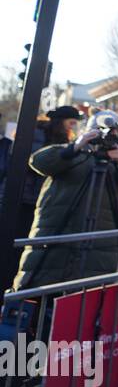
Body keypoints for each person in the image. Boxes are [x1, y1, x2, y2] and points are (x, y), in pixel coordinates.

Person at [13, 111, 118, 292]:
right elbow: (37, 162)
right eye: (98, 131)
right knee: (39, 290)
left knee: (86, 299)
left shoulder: (117, 163)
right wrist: (75, 148)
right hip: (56, 237)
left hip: (99, 247)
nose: (105, 137)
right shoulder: (71, 154)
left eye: (112, 132)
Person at [2, 106, 81, 290]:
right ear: (61, 121)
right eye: (70, 123)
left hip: (38, 199)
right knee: (15, 244)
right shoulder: (36, 132)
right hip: (23, 198)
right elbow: (35, 161)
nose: (72, 128)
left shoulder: (62, 138)